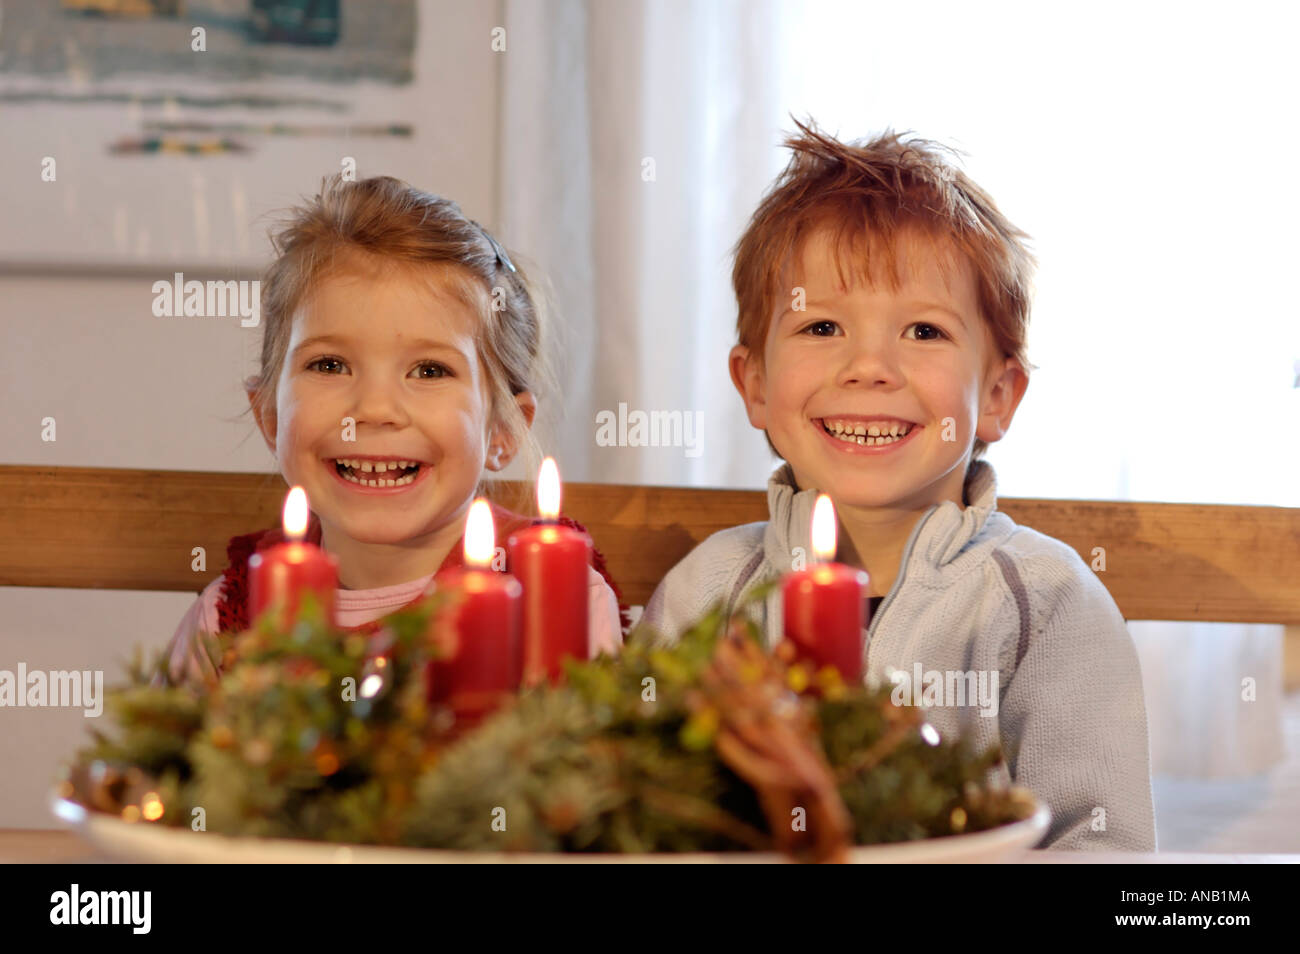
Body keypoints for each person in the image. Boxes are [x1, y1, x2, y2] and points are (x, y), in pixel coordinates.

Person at [642, 119, 1156, 851]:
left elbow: (1103, 847)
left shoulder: (1046, 604)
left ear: (1001, 394)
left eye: (923, 332)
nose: (869, 367)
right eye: (821, 328)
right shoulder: (707, 592)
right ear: (753, 384)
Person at [161, 175, 625, 687]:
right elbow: (162, 762)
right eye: (330, 365)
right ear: (270, 417)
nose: (375, 409)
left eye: (429, 370)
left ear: (502, 431)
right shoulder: (230, 618)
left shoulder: (557, 599)